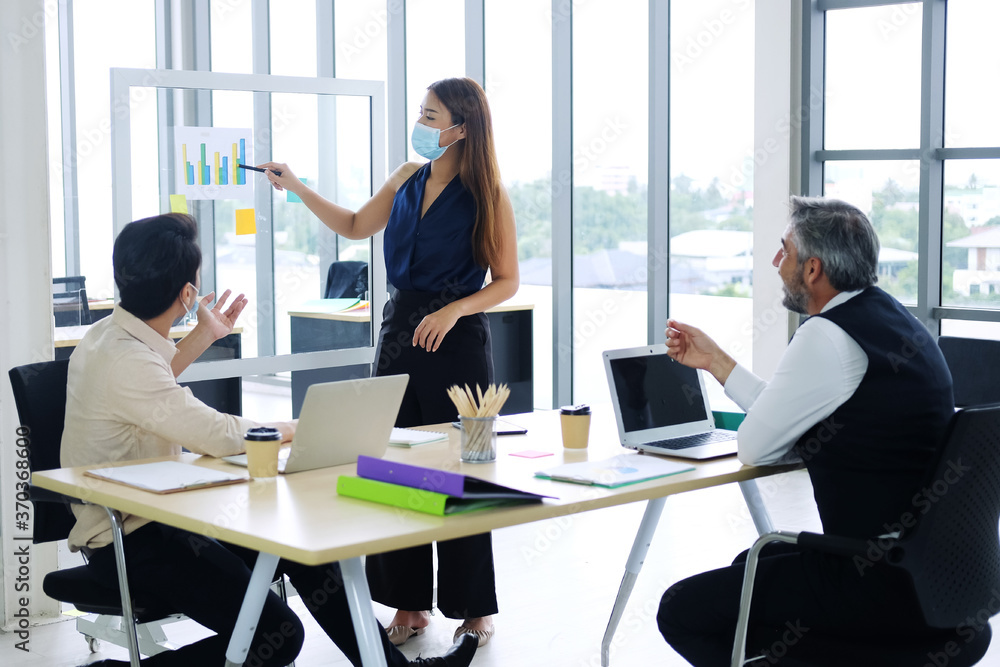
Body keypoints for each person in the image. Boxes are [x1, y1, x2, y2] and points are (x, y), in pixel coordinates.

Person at [65, 213, 477, 667]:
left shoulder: (107, 335)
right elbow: (218, 435)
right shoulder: (128, 361)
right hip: (133, 542)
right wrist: (303, 426)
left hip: (165, 518)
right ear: (186, 294)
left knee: (303, 546)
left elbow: (151, 390)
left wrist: (204, 334)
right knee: (277, 634)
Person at [259, 76, 517, 647]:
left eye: (431, 117)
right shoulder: (405, 178)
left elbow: (507, 281)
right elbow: (354, 225)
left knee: (461, 472)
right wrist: (297, 186)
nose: (421, 126)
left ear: (461, 128)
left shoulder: (489, 194)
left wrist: (454, 310)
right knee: (398, 469)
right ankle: (409, 603)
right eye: (421, 115)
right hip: (401, 329)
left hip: (457, 337)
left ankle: (473, 609)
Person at [656, 197, 957, 665]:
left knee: (681, 610)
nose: (777, 263)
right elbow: (788, 413)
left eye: (785, 251)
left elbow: (755, 445)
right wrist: (717, 362)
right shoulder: (894, 320)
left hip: (875, 579)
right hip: (938, 575)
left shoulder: (826, 336)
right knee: (748, 569)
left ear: (813, 269)